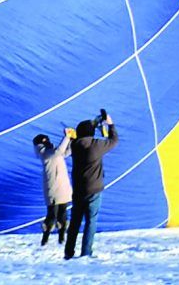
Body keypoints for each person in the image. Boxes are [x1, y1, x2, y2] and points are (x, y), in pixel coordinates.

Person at [63, 110, 115, 260]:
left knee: (74, 223)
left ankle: (68, 252)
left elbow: (75, 141)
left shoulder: (75, 146)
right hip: (94, 190)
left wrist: (69, 136)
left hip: (78, 190)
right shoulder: (96, 145)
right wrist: (110, 125)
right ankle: (86, 252)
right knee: (91, 221)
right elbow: (114, 141)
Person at [33, 129, 72, 248]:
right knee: (52, 214)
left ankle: (61, 238)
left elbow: (65, 153)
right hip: (53, 188)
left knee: (63, 213)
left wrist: (71, 141)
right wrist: (67, 137)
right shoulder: (45, 153)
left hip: (63, 186)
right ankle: (45, 239)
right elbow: (59, 151)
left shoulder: (52, 152)